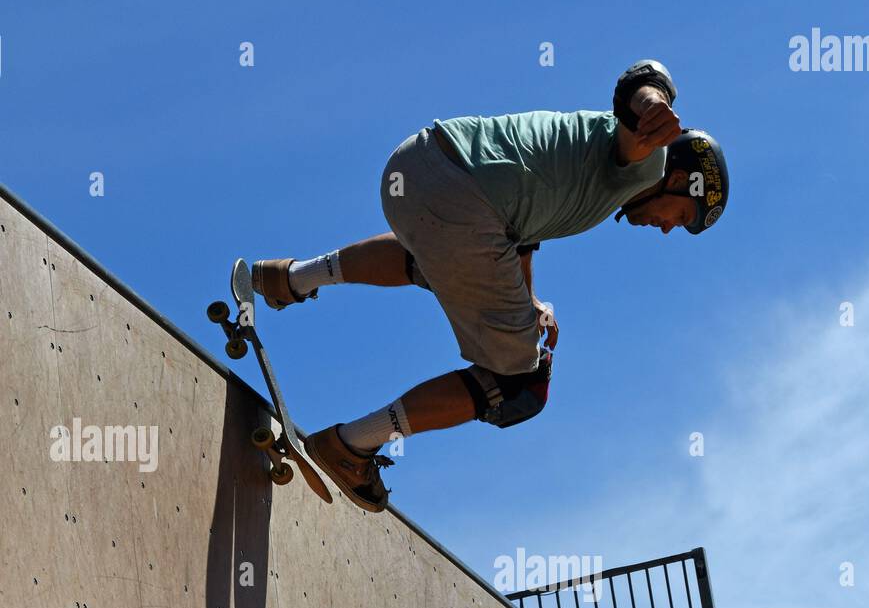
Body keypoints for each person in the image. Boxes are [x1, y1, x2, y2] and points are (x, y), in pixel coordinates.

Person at [252, 60, 728, 512]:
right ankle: (350, 445)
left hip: (419, 167)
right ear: (679, 180)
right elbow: (641, 81)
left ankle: (290, 278)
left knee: (435, 264)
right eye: (680, 217)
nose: (666, 229)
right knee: (521, 384)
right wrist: (653, 104)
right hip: (463, 204)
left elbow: (519, 231)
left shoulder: (588, 170)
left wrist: (530, 299)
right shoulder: (645, 160)